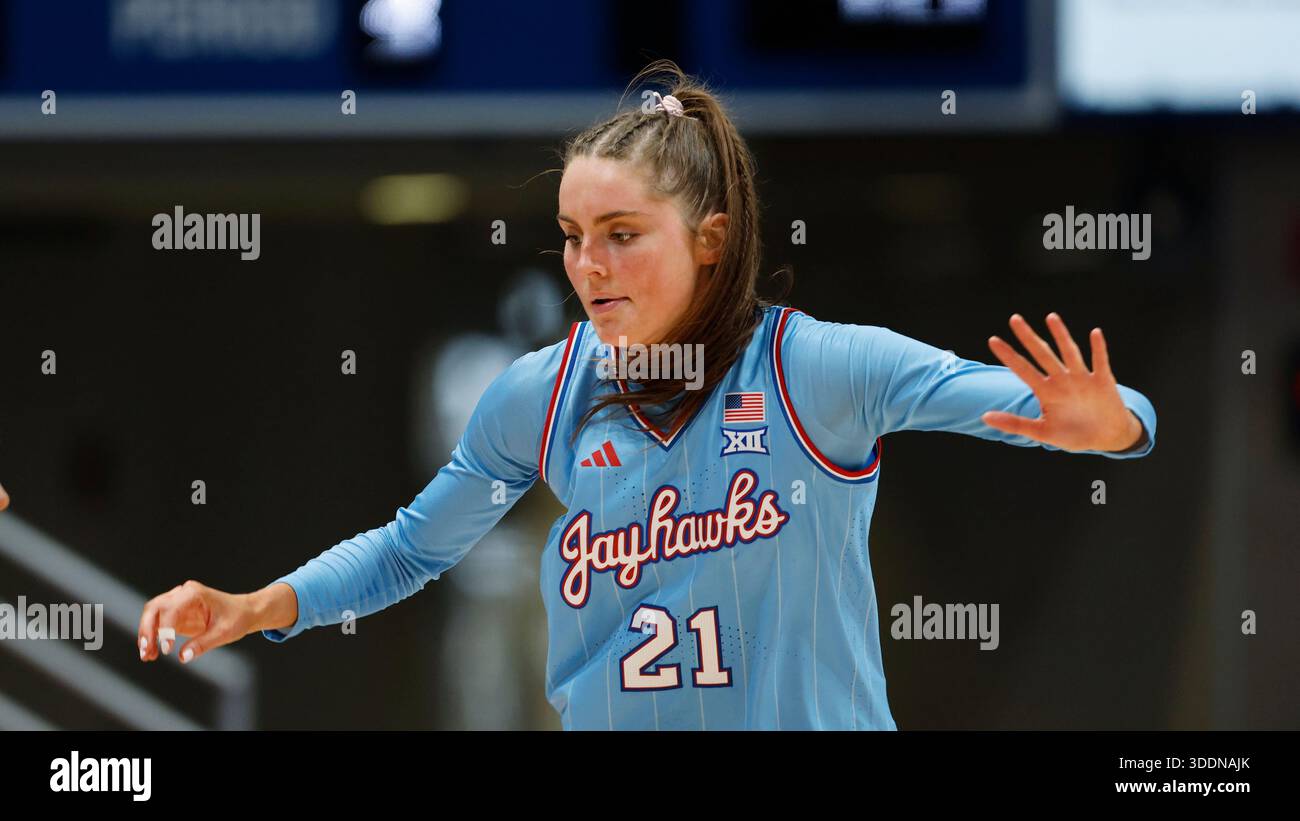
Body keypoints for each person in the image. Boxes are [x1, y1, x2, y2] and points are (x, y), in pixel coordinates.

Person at [138, 60, 1155, 728]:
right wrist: (257, 604)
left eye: (622, 234)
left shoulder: (817, 369)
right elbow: (412, 546)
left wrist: (1110, 425)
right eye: (574, 236)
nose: (591, 263)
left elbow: (1097, 413)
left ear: (709, 240)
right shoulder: (537, 395)